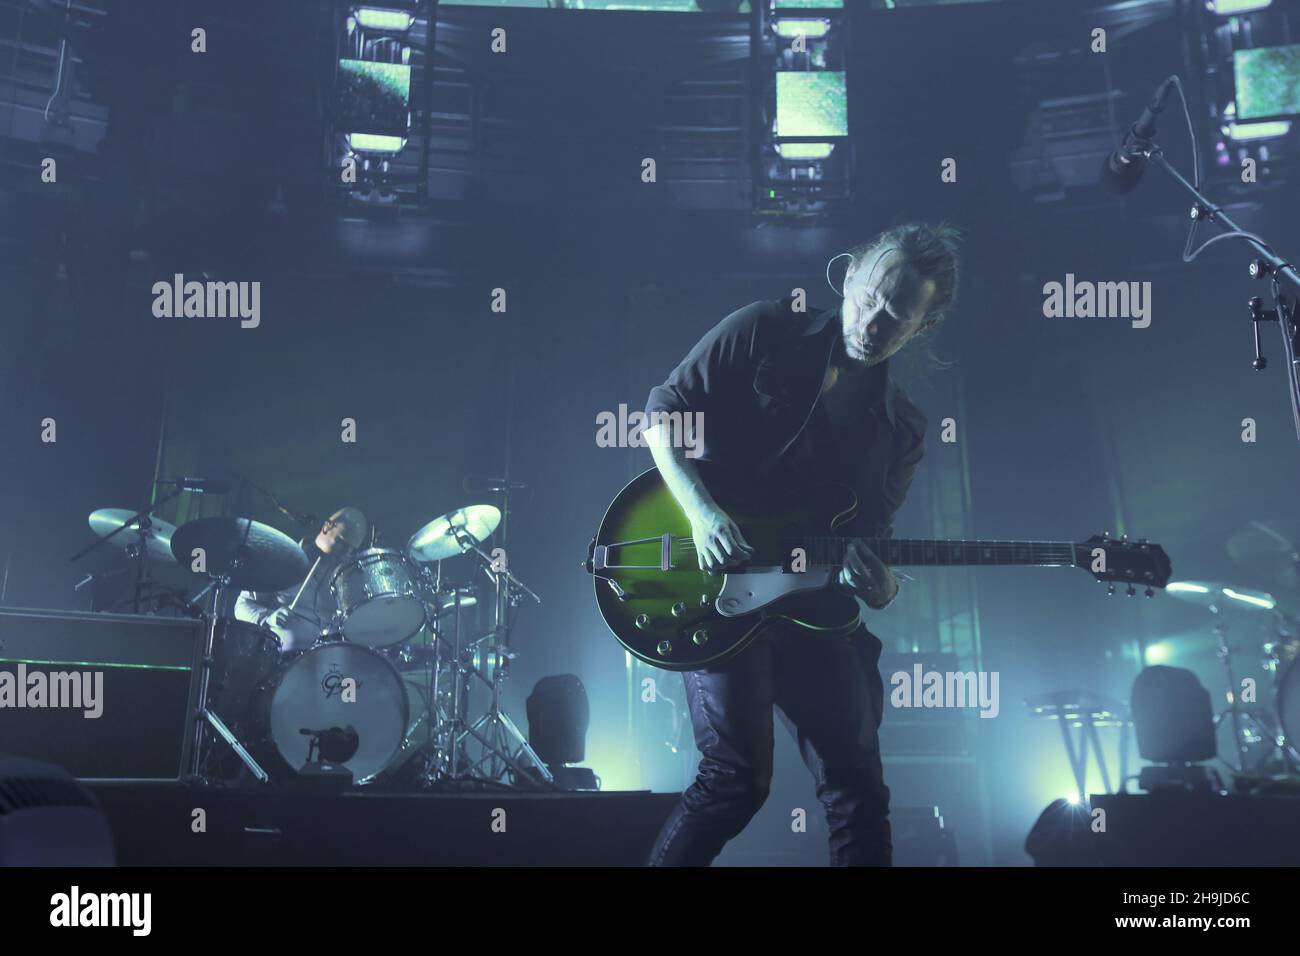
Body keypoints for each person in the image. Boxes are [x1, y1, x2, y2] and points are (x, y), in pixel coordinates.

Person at [642, 222, 961, 866]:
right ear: (848, 277)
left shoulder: (903, 431)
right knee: (736, 783)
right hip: (721, 590)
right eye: (872, 296)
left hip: (816, 613)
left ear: (921, 328)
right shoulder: (763, 329)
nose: (875, 321)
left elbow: (874, 539)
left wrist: (885, 585)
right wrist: (701, 513)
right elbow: (662, 411)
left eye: (898, 317)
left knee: (860, 796)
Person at [234, 507, 369, 653]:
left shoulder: (345, 578)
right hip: (279, 658)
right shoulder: (280, 558)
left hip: (326, 659)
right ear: (326, 527)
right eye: (342, 542)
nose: (344, 553)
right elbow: (241, 605)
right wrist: (267, 618)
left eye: (350, 548)